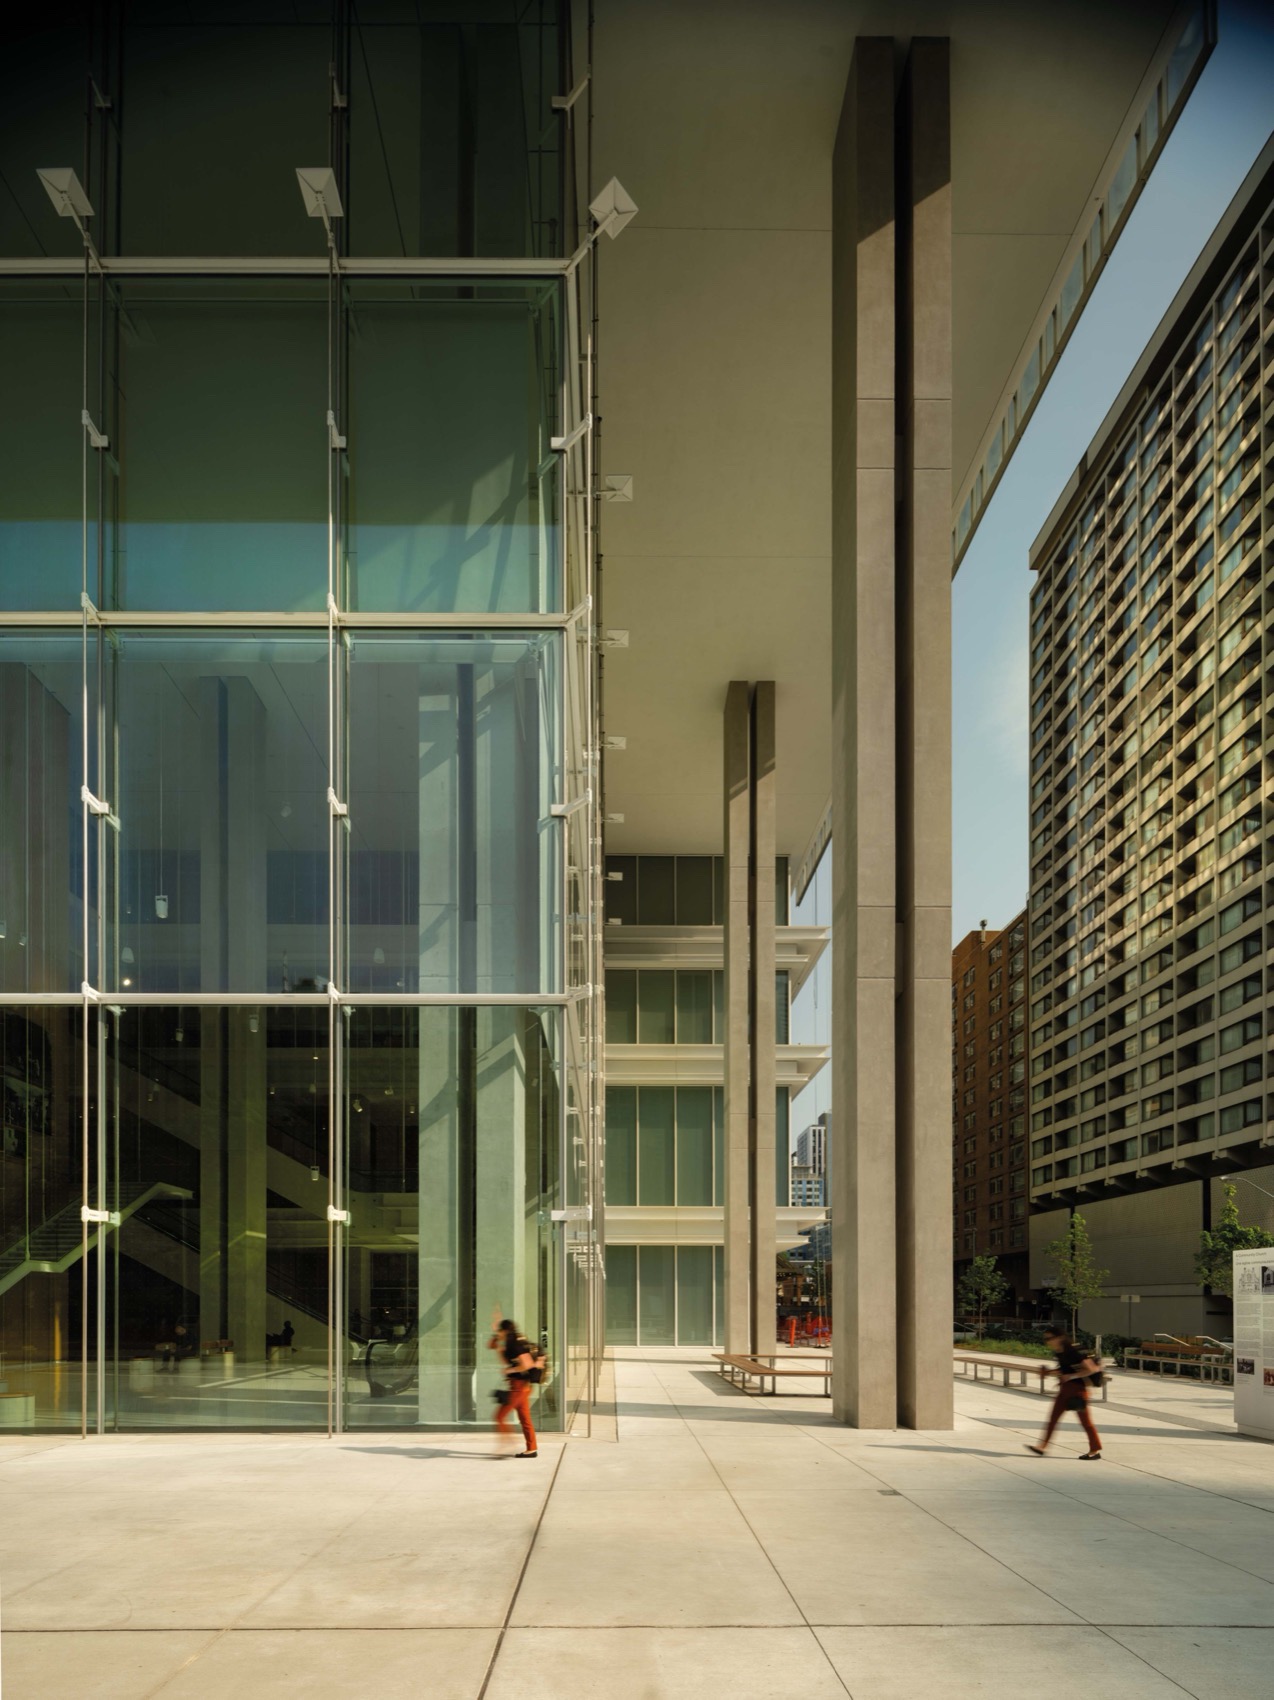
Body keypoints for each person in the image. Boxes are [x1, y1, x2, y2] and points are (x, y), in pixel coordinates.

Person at [1027, 1326, 1102, 1459]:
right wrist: (1048, 1372)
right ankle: (1042, 1447)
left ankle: (1095, 1450)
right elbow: (1065, 1370)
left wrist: (1071, 1377)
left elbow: (1092, 1369)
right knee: (1052, 1419)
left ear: (1060, 1337)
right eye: (1045, 1339)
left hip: (1078, 1391)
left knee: (1086, 1422)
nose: (1047, 1341)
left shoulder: (1073, 1350)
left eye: (1049, 1338)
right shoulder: (1059, 1352)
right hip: (1065, 1389)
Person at [487, 1310, 537, 1458]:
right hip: (522, 1387)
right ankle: (532, 1448)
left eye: (500, 1331)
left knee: (499, 1417)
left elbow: (527, 1364)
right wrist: (496, 1339)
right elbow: (499, 1354)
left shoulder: (515, 1343)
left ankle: (506, 1446)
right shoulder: (512, 1342)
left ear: (505, 1330)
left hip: (519, 1387)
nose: (498, 1333)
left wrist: (511, 1370)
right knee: (525, 1419)